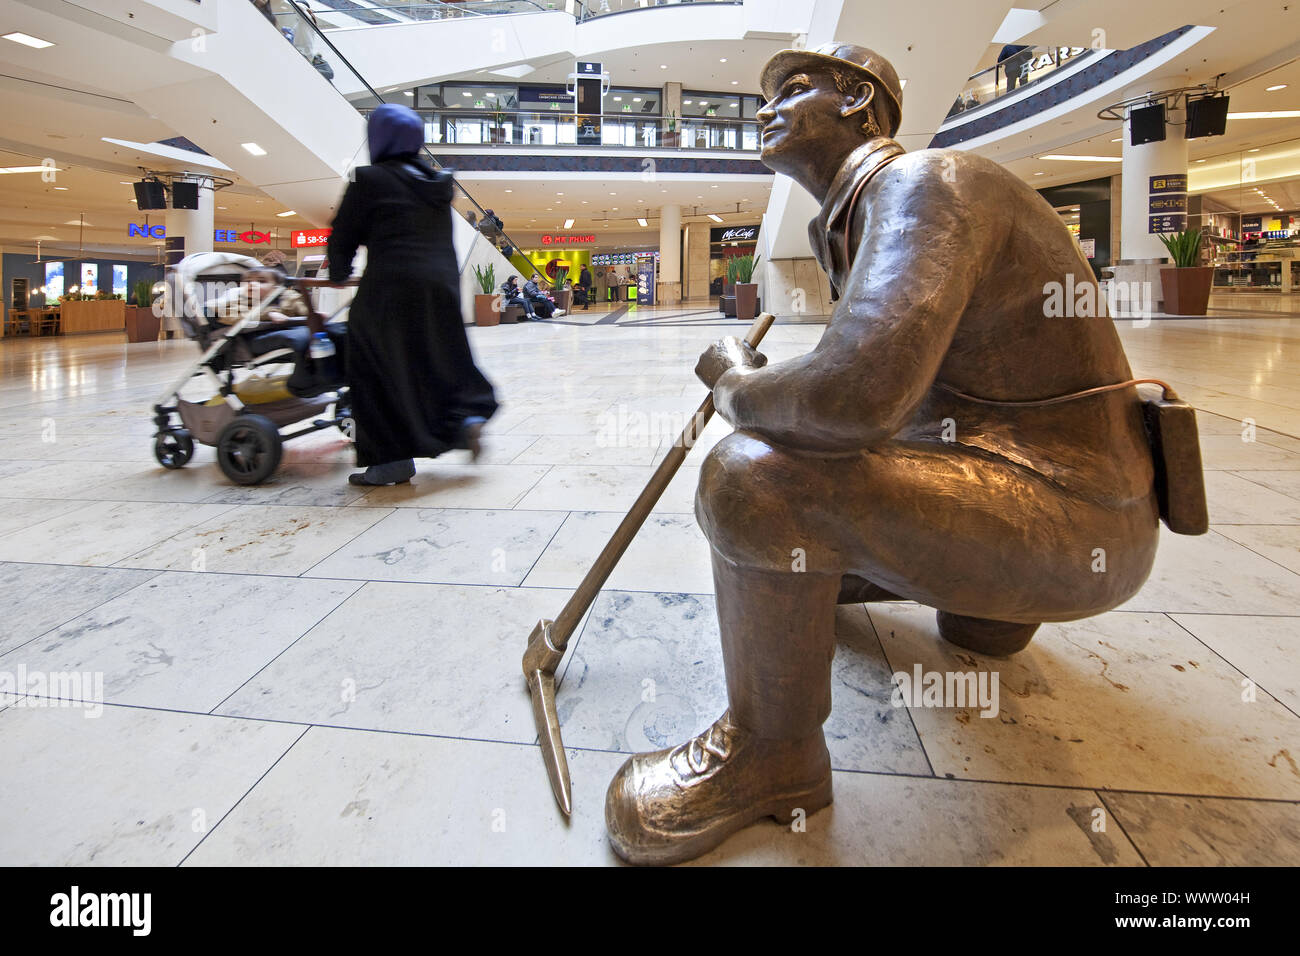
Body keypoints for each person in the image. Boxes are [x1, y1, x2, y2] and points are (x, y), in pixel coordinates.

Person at [603, 42, 1203, 865]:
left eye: (794, 88)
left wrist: (739, 386)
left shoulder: (928, 185)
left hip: (1073, 526)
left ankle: (774, 755)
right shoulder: (864, 213)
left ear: (856, 100)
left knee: (752, 480)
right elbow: (888, 388)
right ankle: (987, 616)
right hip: (1050, 501)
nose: (766, 106)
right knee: (813, 485)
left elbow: (851, 402)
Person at [327, 103, 497, 486]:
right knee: (439, 357)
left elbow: (343, 236)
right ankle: (465, 418)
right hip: (440, 286)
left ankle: (391, 459)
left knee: (372, 364)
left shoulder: (367, 180)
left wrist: (339, 273)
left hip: (389, 287)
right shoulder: (438, 184)